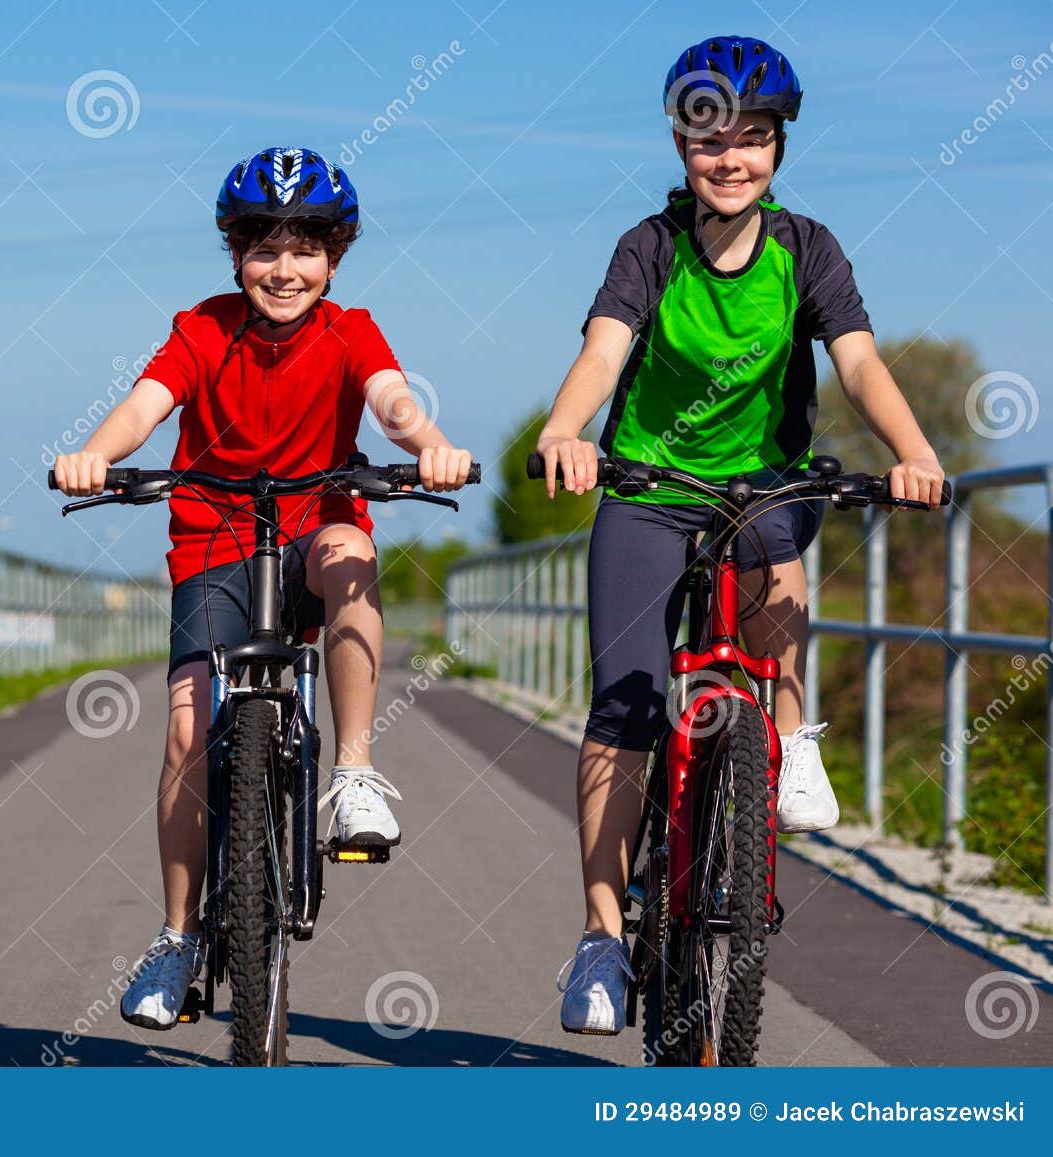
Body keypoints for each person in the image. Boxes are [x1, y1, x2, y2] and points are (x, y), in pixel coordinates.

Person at [537, 37, 946, 1035]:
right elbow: (603, 350)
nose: (731, 158)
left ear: (776, 147)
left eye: (752, 139)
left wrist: (913, 450)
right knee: (626, 704)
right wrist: (565, 429)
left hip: (762, 481)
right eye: (710, 137)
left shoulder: (806, 248)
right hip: (647, 483)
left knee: (775, 554)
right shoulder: (650, 246)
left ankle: (790, 735)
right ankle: (598, 936)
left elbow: (857, 363)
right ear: (682, 141)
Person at [52, 147, 474, 1028]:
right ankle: (175, 935)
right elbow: (147, 402)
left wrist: (427, 438)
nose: (285, 270)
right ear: (236, 254)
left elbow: (391, 401)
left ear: (335, 258)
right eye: (263, 249)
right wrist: (99, 450)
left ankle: (353, 772)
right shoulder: (202, 328)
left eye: (306, 249)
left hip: (314, 526)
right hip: (214, 535)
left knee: (354, 552)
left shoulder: (351, 330)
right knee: (183, 730)